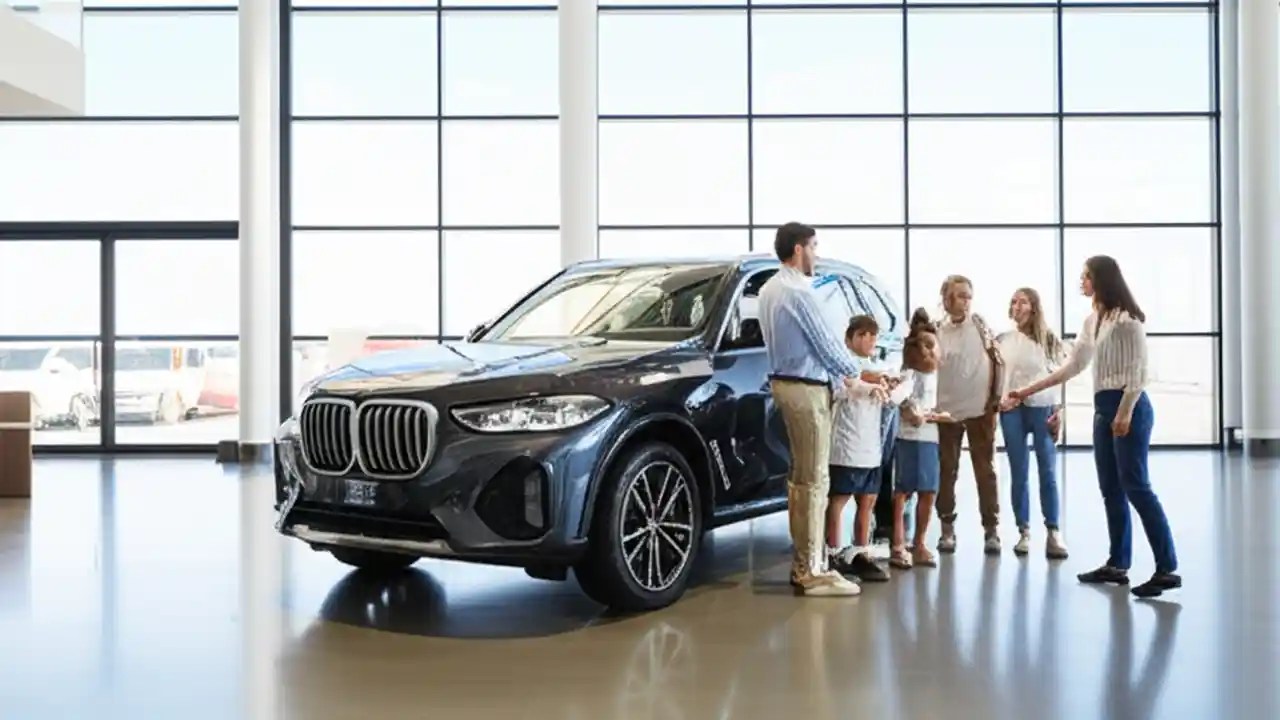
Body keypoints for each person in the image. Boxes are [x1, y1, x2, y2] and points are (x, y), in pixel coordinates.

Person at [1010, 255, 1180, 599]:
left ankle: (1166, 568)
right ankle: (1118, 564)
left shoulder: (1128, 321)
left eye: (1086, 276)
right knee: (1111, 489)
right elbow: (1073, 366)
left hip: (1127, 408)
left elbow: (1138, 373)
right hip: (1104, 411)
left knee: (1137, 486)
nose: (1081, 281)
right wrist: (1027, 390)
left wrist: (1125, 411)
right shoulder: (1093, 322)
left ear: (1101, 279)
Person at [758, 222, 864, 597]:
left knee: (801, 480)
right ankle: (811, 569)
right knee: (814, 482)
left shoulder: (770, 289)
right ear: (799, 249)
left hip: (787, 385)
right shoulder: (797, 291)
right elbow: (826, 345)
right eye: (815, 247)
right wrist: (860, 373)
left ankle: (806, 563)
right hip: (805, 390)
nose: (817, 254)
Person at [826, 315, 900, 583]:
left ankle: (859, 552)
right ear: (849, 338)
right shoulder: (843, 364)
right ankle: (833, 553)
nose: (868, 340)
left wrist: (890, 385)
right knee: (839, 499)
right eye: (862, 335)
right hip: (846, 446)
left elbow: (880, 382)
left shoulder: (877, 368)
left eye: (872, 335)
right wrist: (874, 382)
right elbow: (851, 381)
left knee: (867, 500)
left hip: (871, 448)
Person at [997, 288, 1070, 559]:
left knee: (1047, 471)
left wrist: (1059, 410)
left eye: (1023, 301)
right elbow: (998, 375)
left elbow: (1062, 375)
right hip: (1012, 410)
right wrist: (1000, 402)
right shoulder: (1004, 339)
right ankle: (1023, 531)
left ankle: (1053, 531)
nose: (1016, 305)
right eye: (1013, 301)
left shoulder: (1050, 340)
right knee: (1018, 471)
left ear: (1034, 307)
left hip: (1042, 409)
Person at [933, 275, 1004, 555]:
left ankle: (991, 530)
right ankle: (947, 529)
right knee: (946, 470)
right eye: (960, 295)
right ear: (946, 298)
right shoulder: (937, 330)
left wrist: (995, 401)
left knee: (985, 471)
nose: (965, 301)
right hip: (946, 412)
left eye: (968, 296)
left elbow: (999, 360)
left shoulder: (981, 326)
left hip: (980, 410)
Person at [890, 308, 949, 569]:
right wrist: (910, 409)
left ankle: (920, 542)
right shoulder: (909, 374)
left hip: (930, 438)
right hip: (908, 436)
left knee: (929, 490)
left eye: (931, 346)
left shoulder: (939, 376)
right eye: (922, 345)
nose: (927, 351)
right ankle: (898, 544)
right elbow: (900, 397)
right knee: (903, 490)